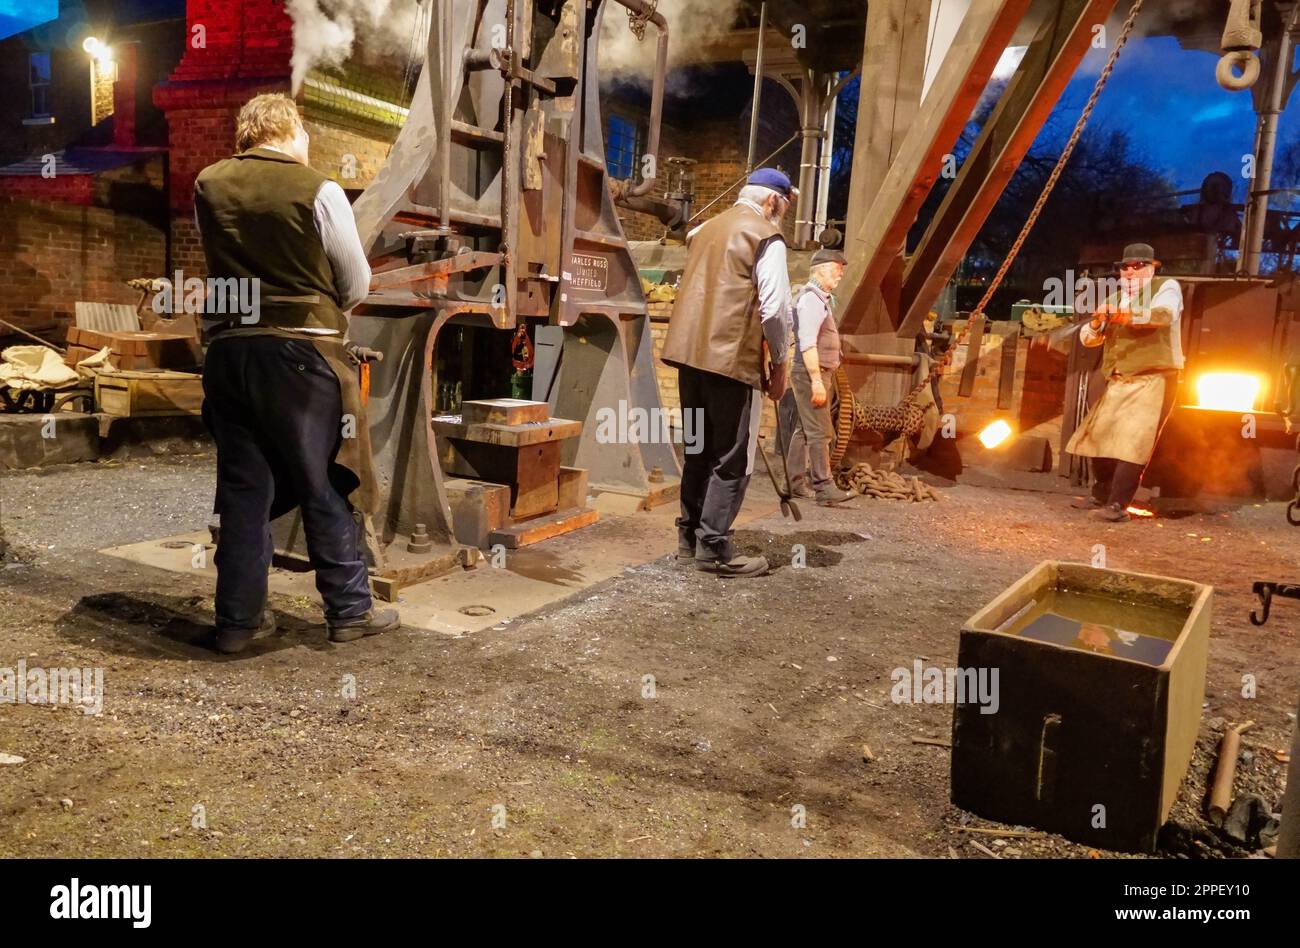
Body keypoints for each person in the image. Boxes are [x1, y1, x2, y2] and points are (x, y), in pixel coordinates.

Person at [194, 93, 399, 653]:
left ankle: (236, 623)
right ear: (291, 131)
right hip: (301, 357)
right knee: (325, 479)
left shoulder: (208, 185)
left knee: (243, 489)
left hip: (230, 354)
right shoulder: (319, 188)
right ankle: (349, 611)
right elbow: (355, 282)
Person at [661, 168, 796, 577]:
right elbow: (775, 309)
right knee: (731, 457)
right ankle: (714, 548)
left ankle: (689, 539)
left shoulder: (702, 231)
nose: (783, 215)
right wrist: (782, 362)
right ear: (773, 201)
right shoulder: (766, 237)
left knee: (698, 450)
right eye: (784, 207)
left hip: (689, 358)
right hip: (729, 361)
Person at [1066, 243, 1183, 522]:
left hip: (1153, 377)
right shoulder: (1117, 297)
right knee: (1100, 436)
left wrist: (1121, 315)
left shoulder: (1167, 288)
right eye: (1126, 268)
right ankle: (1101, 495)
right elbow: (1089, 339)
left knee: (1133, 443)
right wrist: (1095, 325)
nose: (1130, 273)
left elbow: (1162, 316)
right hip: (1120, 378)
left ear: (1152, 268)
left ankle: (1118, 505)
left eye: (1138, 267)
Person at [784, 248, 854, 506]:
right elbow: (808, 343)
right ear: (822, 269)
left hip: (816, 372)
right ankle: (824, 487)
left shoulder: (818, 298)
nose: (840, 274)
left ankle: (793, 484)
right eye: (837, 269)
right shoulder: (811, 300)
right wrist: (816, 380)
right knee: (820, 432)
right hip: (811, 373)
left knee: (805, 429)